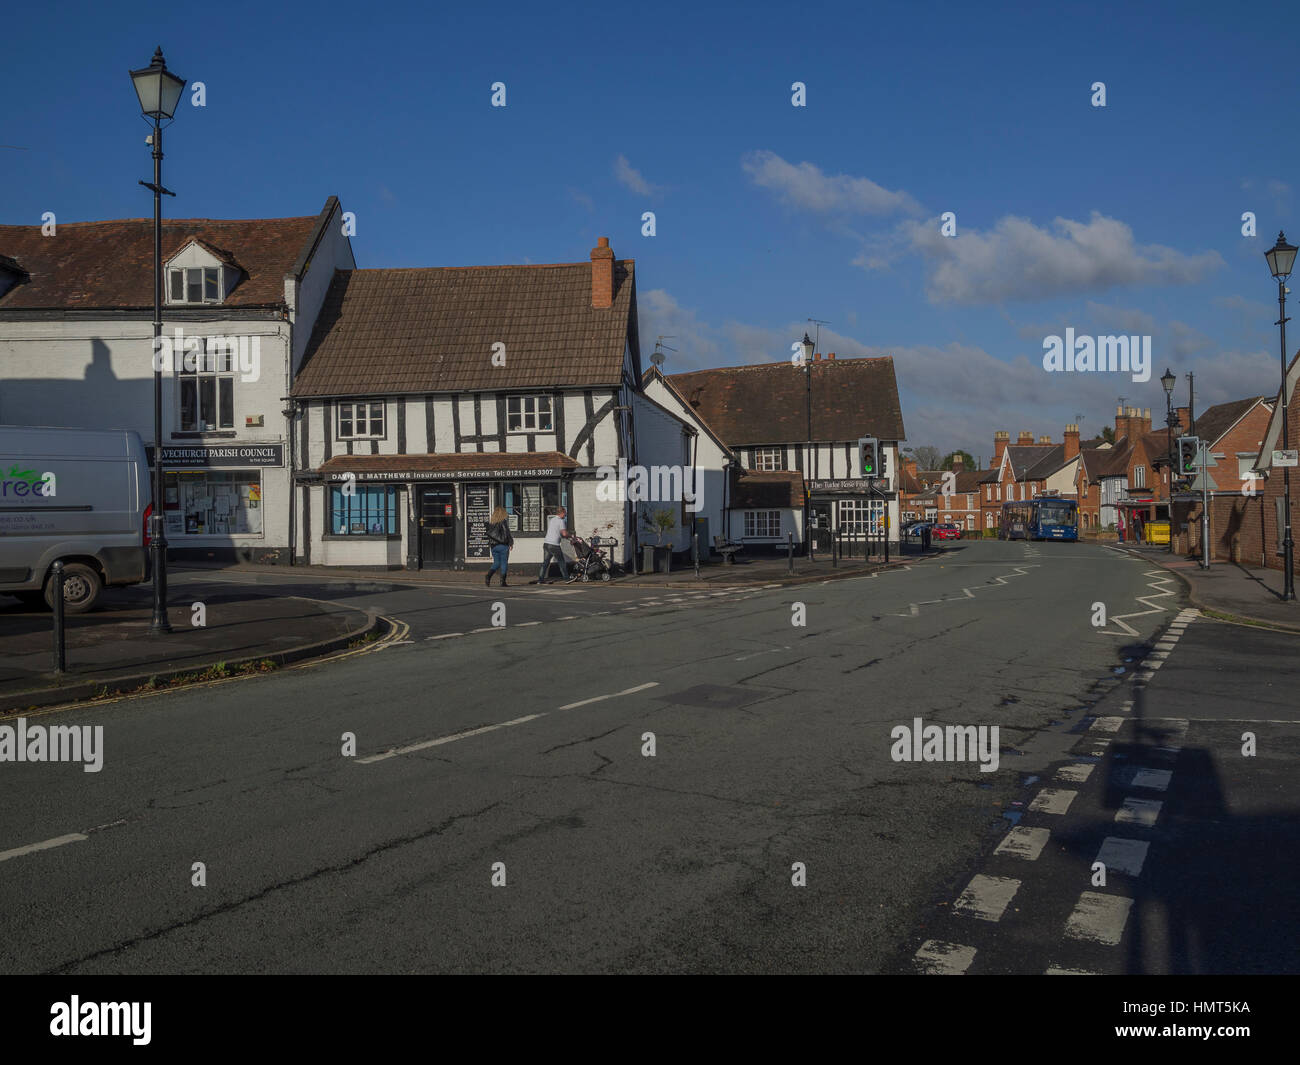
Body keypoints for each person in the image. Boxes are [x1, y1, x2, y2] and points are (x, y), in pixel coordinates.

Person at [538, 505, 574, 584]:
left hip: (546, 543)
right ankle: (566, 579)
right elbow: (564, 533)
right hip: (554, 545)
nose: (565, 515)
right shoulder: (561, 521)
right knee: (561, 562)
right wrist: (571, 536)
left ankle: (540, 580)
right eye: (565, 513)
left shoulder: (553, 520)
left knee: (545, 563)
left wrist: (567, 538)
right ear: (562, 512)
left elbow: (557, 533)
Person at [484, 506, 514, 586]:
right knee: (504, 563)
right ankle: (502, 582)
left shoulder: (491, 522)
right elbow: (506, 533)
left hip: (493, 546)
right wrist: (511, 543)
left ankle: (488, 576)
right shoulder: (503, 521)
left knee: (496, 562)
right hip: (503, 545)